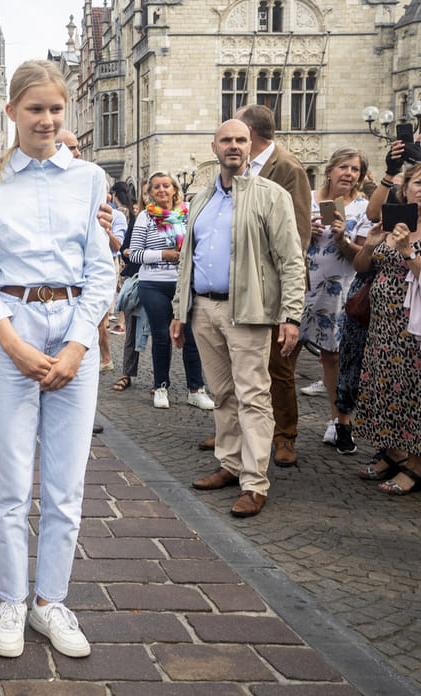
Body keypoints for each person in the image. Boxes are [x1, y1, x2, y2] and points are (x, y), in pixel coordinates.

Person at [0, 59, 114, 660]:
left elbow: (101, 271)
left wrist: (79, 346)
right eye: (34, 109)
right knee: (9, 483)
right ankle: (10, 598)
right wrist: (10, 340)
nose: (47, 119)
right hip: (15, 325)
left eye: (55, 109)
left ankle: (51, 600)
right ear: (12, 113)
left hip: (73, 325)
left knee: (65, 485)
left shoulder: (88, 181)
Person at [173, 119, 305, 518]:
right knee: (223, 394)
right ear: (214, 147)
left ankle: (254, 482)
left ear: (251, 146)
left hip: (247, 311)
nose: (233, 146)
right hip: (204, 308)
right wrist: (181, 310)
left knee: (253, 396)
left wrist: (291, 315)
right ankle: (230, 465)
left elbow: (291, 260)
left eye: (241, 140)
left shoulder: (271, 195)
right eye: (226, 140)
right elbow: (187, 259)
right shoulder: (200, 198)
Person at [353, 161, 421, 494]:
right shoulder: (393, 220)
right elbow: (361, 267)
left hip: (416, 325)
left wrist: (407, 251)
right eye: (418, 182)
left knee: (415, 393)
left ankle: (417, 465)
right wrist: (372, 244)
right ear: (406, 187)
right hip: (382, 324)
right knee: (383, 389)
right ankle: (391, 452)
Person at [235, 104, 312, 468]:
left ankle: (285, 436)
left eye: (238, 130)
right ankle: (240, 431)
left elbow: (297, 234)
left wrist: (288, 299)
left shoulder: (288, 168)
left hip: (275, 284)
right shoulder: (243, 167)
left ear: (250, 133)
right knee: (243, 362)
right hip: (242, 281)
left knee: (277, 366)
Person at [301, 148, 371, 454]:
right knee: (284, 351)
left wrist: (342, 238)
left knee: (333, 357)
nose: (349, 174)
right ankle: (281, 425)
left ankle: (337, 422)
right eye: (344, 167)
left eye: (355, 169)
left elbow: (363, 259)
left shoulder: (364, 208)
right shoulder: (306, 197)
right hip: (302, 285)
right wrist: (306, 231)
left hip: (338, 289)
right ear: (330, 169)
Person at [127, 171, 213, 411]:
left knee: (192, 338)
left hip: (186, 284)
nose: (161, 190)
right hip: (153, 284)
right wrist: (163, 255)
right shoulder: (145, 217)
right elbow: (134, 254)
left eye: (166, 186)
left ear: (175, 189)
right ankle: (161, 387)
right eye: (156, 187)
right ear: (150, 193)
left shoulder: (189, 214)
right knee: (162, 337)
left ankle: (196, 389)